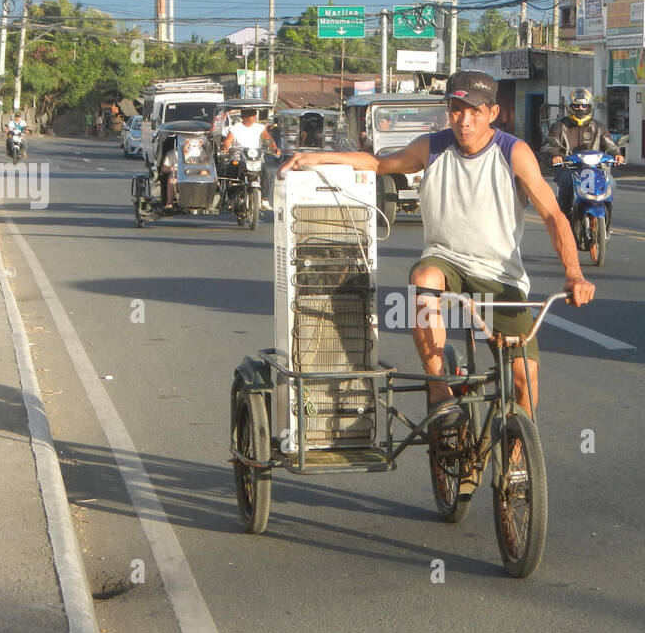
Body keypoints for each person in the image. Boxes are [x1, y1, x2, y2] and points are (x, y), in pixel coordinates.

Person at [281, 69, 596, 425]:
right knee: (424, 276)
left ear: (493, 113)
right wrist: (318, 158)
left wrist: (574, 273)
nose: (465, 121)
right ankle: (439, 389)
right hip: (445, 261)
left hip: (499, 275)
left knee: (525, 377)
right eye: (458, 110)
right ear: (449, 111)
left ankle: (520, 460)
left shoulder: (513, 152)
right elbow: (380, 164)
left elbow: (553, 215)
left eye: (475, 111)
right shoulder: (432, 147)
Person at [541, 88, 624, 213]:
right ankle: (564, 219)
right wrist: (554, 156)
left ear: (590, 107)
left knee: (611, 184)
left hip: (597, 169)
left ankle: (606, 223)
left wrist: (617, 155)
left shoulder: (599, 127)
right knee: (567, 184)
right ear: (569, 107)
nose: (580, 109)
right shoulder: (559, 126)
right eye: (576, 106)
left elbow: (610, 145)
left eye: (584, 105)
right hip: (568, 169)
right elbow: (548, 146)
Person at [223, 108, 279, 209]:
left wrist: (274, 148)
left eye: (255, 115)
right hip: (239, 155)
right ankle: (231, 198)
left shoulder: (259, 127)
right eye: (252, 115)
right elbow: (228, 141)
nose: (255, 117)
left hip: (255, 156)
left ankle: (264, 200)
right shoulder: (236, 128)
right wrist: (227, 147)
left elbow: (268, 138)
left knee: (266, 172)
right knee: (232, 169)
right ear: (244, 117)